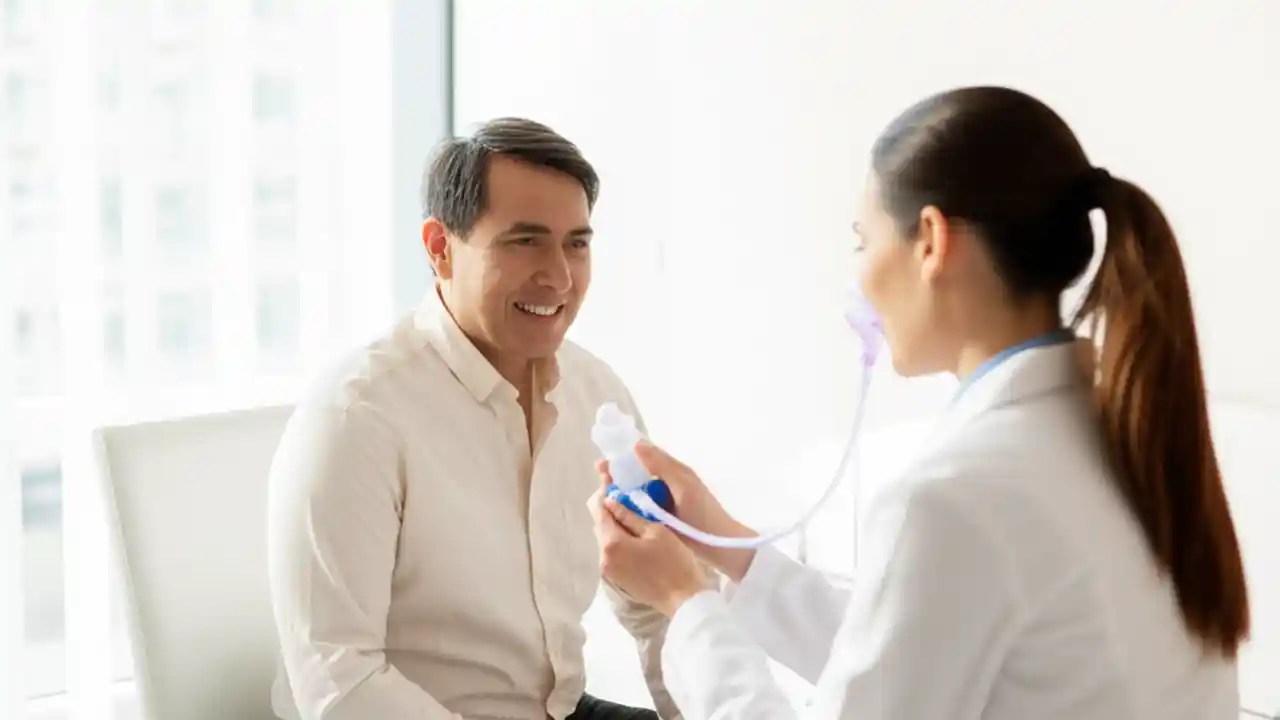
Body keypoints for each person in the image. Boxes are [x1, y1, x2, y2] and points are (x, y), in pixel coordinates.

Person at [589, 87, 1249, 719]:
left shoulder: (954, 493)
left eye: (863, 242)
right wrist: (725, 542)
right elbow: (919, 651)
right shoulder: (1117, 437)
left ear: (931, 241)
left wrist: (687, 602)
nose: (858, 277)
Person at [269, 117, 702, 720]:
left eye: (576, 242)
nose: (559, 275)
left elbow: (655, 604)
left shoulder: (597, 393)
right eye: (525, 241)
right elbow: (338, 681)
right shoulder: (357, 415)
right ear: (440, 248)